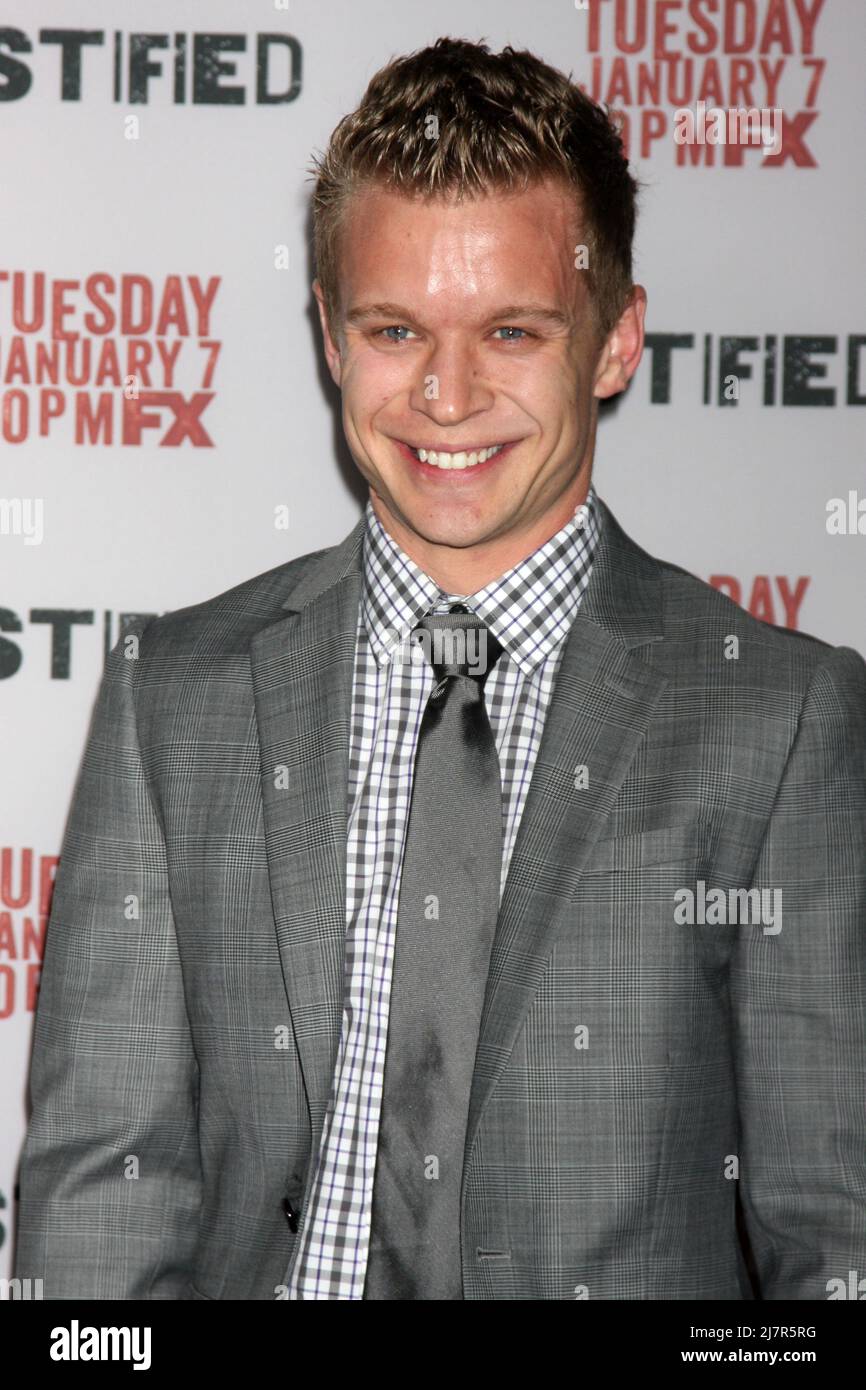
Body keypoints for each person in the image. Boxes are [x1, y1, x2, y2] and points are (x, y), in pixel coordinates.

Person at [15, 36, 866, 1301]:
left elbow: (830, 1236)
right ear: (328, 335)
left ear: (615, 341)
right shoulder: (173, 693)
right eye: (395, 327)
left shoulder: (778, 714)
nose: (445, 394)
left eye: (512, 330)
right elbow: (99, 1199)